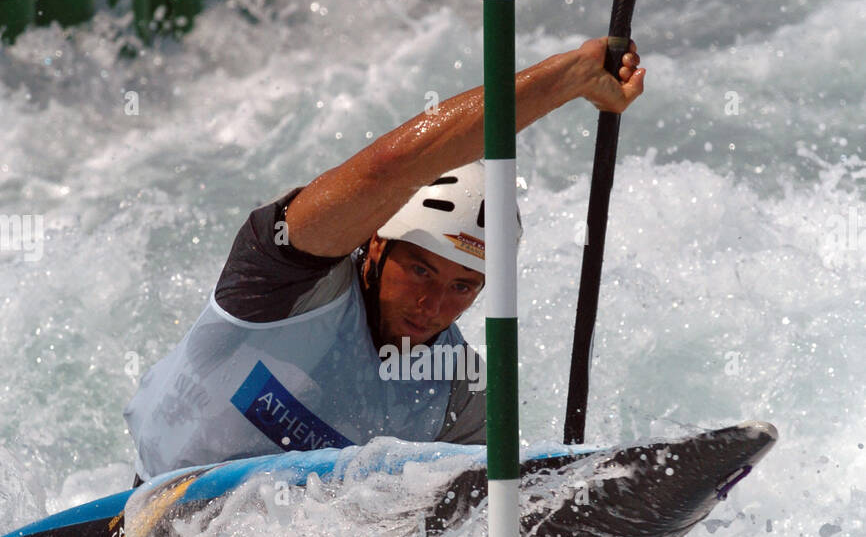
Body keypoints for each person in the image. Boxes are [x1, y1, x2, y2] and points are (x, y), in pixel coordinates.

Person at [124, 37, 644, 482]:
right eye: (420, 269)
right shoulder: (285, 277)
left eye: (463, 286)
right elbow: (391, 169)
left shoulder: (459, 392)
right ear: (375, 244)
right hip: (142, 526)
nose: (433, 304)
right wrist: (570, 75)